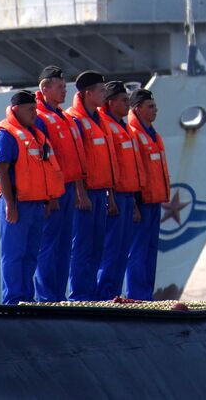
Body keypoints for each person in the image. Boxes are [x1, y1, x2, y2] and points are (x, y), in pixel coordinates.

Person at [0, 90, 57, 305]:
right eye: (30, 110)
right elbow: (1, 170)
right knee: (14, 254)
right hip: (17, 203)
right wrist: (10, 204)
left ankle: (27, 297)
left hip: (35, 204)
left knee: (30, 254)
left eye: (35, 109)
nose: (34, 113)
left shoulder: (35, 134)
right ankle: (13, 299)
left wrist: (46, 200)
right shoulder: (6, 135)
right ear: (16, 110)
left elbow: (44, 170)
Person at [33, 65, 90, 302]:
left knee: (64, 245)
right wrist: (50, 195)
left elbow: (73, 159)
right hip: (53, 191)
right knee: (48, 245)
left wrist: (78, 190)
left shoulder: (64, 117)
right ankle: (46, 296)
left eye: (64, 87)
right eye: (59, 87)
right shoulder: (40, 119)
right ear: (45, 88)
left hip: (68, 189)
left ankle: (58, 294)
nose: (63, 91)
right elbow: (42, 159)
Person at [65, 70, 117, 301]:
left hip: (99, 191)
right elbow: (73, 157)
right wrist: (80, 192)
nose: (105, 94)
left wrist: (109, 194)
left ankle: (93, 295)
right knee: (82, 247)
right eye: (101, 90)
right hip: (85, 193)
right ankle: (79, 295)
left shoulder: (98, 119)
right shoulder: (75, 120)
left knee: (97, 246)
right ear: (88, 94)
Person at [96, 81, 142, 299]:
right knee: (110, 251)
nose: (127, 104)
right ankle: (104, 295)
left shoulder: (123, 127)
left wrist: (132, 201)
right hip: (113, 196)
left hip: (127, 196)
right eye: (124, 100)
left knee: (122, 252)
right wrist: (110, 196)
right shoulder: (106, 125)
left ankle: (113, 294)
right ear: (111, 102)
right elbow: (107, 165)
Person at [126, 89, 171, 300]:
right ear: (138, 109)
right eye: (150, 106)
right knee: (138, 251)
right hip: (141, 200)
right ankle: (136, 294)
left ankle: (146, 294)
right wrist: (134, 204)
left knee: (150, 251)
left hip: (154, 200)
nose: (156, 110)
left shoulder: (152, 134)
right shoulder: (133, 134)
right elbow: (132, 170)